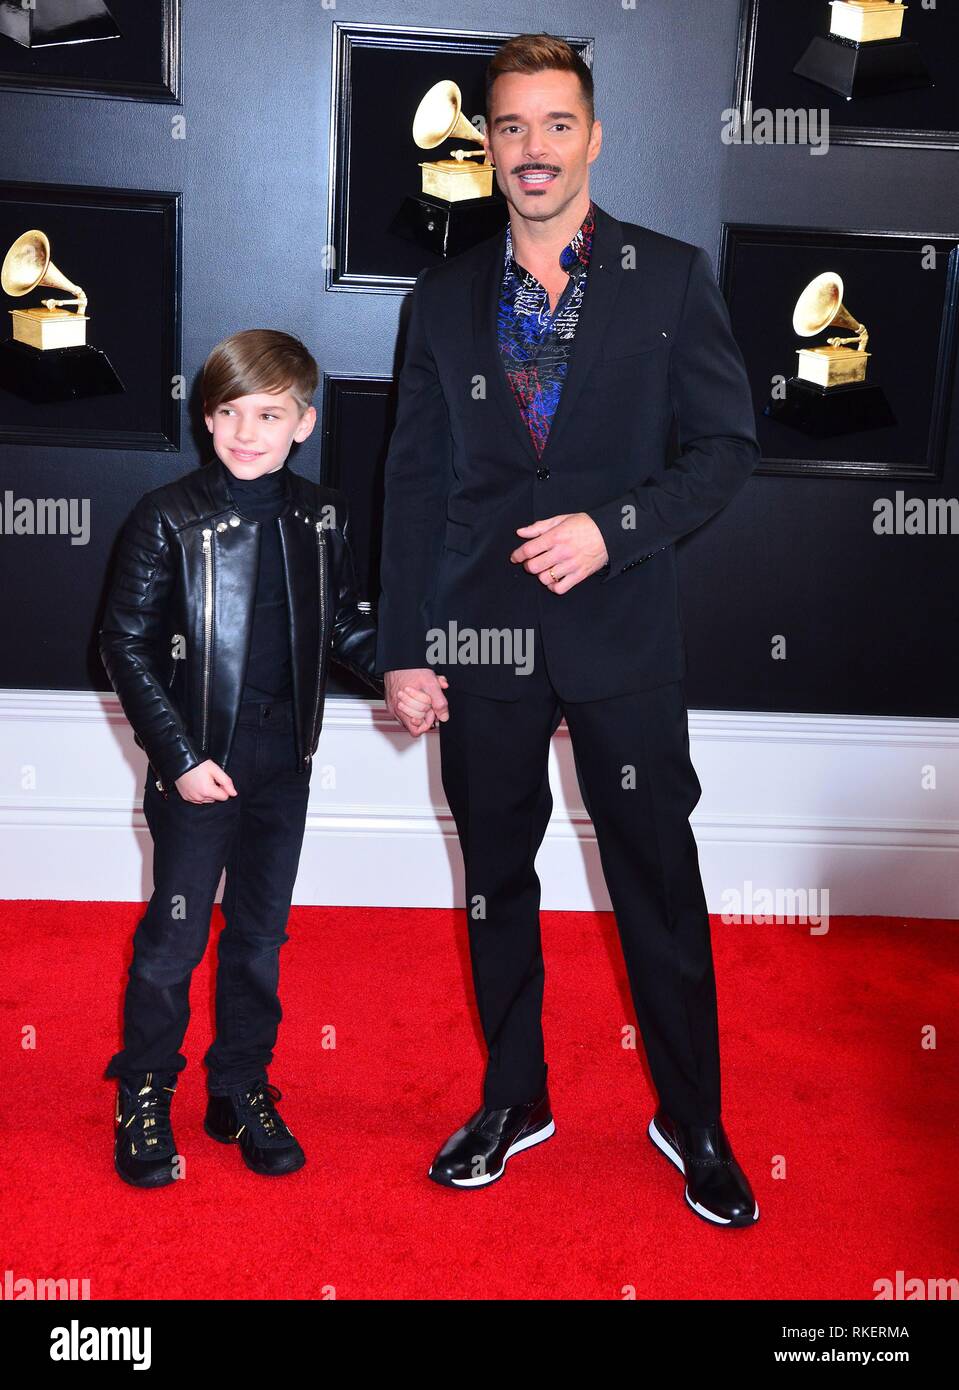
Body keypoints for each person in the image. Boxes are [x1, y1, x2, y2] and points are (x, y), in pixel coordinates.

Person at [376, 34, 762, 1225]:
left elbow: (724, 450)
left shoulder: (669, 275)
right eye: (508, 127)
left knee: (656, 876)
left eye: (554, 125)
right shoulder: (439, 299)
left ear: (591, 136)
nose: (531, 149)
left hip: (622, 634)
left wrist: (614, 527)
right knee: (495, 879)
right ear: (484, 144)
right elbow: (414, 481)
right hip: (481, 641)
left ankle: (690, 1116)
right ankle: (513, 1096)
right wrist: (404, 644)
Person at [99, 329, 427, 1187]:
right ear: (207, 419)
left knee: (258, 938)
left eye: (270, 414)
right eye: (230, 413)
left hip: (287, 760)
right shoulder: (165, 516)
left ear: (304, 422)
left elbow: (339, 624)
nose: (248, 432)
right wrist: (176, 758)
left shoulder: (324, 514)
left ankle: (238, 1087)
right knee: (172, 945)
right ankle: (142, 1095)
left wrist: (397, 672)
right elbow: (123, 646)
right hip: (197, 765)